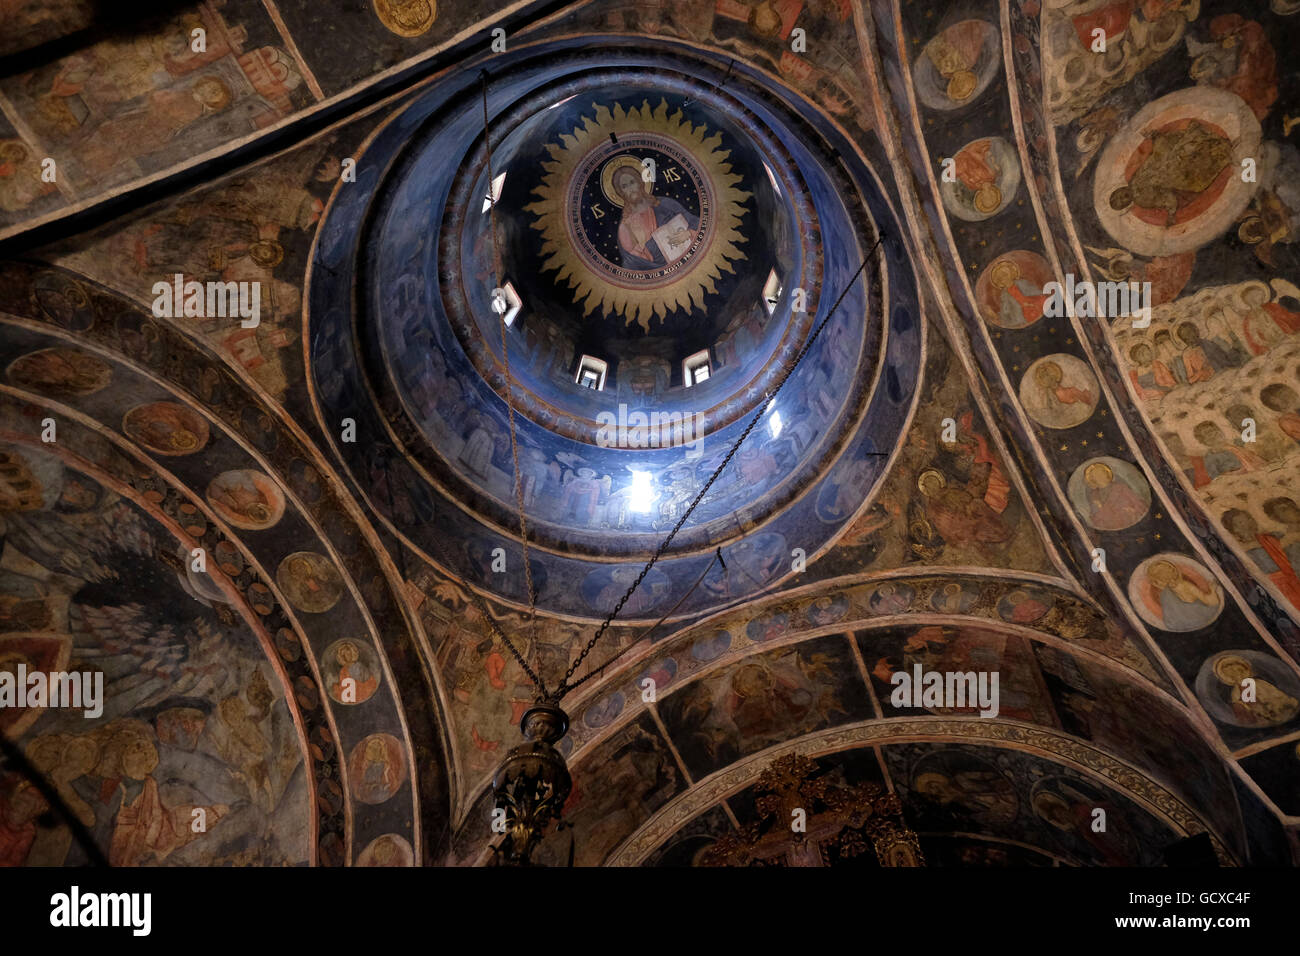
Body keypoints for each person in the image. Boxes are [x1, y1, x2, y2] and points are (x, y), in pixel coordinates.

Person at [609, 162, 697, 269]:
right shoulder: (625, 227)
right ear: (621, 193)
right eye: (624, 186)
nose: (630, 189)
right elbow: (632, 264)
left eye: (632, 182)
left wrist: (689, 233)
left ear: (640, 182)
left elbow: (695, 221)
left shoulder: (665, 204)